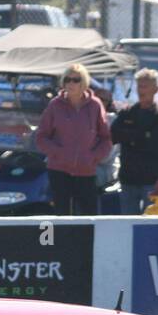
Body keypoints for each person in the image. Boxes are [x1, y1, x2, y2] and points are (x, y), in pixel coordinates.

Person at [34, 63, 111, 216]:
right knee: (62, 215)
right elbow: (41, 137)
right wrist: (58, 153)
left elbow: (106, 139)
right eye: (67, 79)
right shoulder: (55, 105)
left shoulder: (95, 105)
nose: (70, 83)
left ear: (83, 82)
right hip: (59, 171)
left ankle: (85, 241)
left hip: (86, 171)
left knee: (88, 216)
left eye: (75, 80)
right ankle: (62, 241)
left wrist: (93, 157)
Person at [110, 67, 158, 214]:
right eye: (139, 86)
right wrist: (142, 135)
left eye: (145, 86)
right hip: (128, 178)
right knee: (127, 222)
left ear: (155, 89)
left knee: (151, 221)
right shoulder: (127, 112)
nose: (140, 90)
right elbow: (113, 135)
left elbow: (154, 144)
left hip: (151, 179)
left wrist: (129, 137)